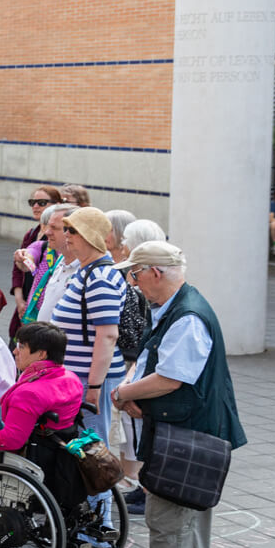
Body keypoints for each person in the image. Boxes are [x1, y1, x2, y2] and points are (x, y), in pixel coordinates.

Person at [109, 241, 246, 548]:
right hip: (193, 428)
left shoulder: (186, 316)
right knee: (191, 511)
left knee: (166, 516)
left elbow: (170, 378)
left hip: (186, 432)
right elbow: (155, 364)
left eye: (135, 274)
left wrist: (123, 393)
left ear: (154, 272)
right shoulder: (179, 306)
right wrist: (135, 393)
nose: (133, 283)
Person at [50, 207, 125, 442]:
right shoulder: (87, 271)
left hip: (89, 381)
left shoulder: (99, 277)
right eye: (66, 229)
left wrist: (94, 386)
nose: (66, 234)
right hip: (80, 378)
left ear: (90, 236)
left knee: (91, 446)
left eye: (73, 230)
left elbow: (108, 335)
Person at [109, 218, 166, 514]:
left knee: (141, 427)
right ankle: (143, 487)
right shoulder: (141, 281)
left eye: (125, 242)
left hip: (139, 361)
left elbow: (134, 331)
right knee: (137, 429)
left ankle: (146, 488)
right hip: (138, 360)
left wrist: (125, 389)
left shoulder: (151, 289)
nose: (121, 247)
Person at [0, 321, 81, 453]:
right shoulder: (71, 378)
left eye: (22, 347)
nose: (15, 351)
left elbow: (10, 439)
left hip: (31, 452)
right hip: (59, 450)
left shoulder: (29, 393)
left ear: (41, 354)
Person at [9, 186, 64, 338]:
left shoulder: (60, 242)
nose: (35, 206)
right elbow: (20, 267)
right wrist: (19, 299)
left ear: (57, 204)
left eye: (41, 202)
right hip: (30, 298)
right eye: (32, 202)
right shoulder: (32, 234)